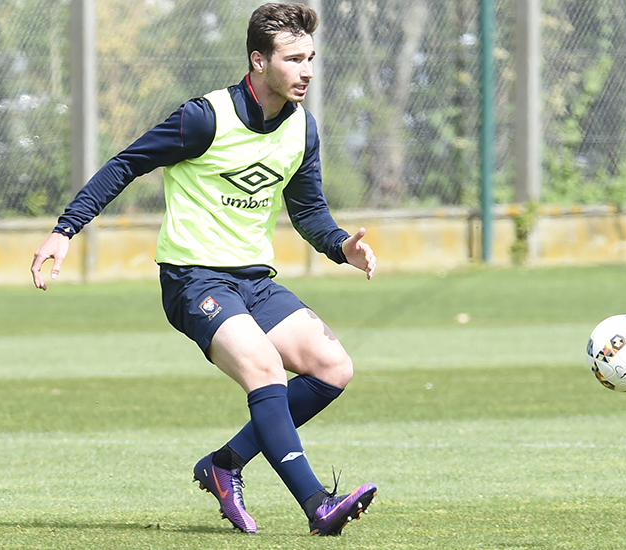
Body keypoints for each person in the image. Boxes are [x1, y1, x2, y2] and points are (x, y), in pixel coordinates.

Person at [30, 2, 377, 536]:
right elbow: (127, 163)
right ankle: (317, 505)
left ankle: (224, 464)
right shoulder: (205, 117)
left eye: (310, 58)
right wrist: (65, 229)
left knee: (333, 368)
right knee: (263, 367)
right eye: (293, 59)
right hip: (194, 280)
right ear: (258, 62)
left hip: (254, 282)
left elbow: (307, 210)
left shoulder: (301, 129)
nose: (307, 70)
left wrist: (338, 246)